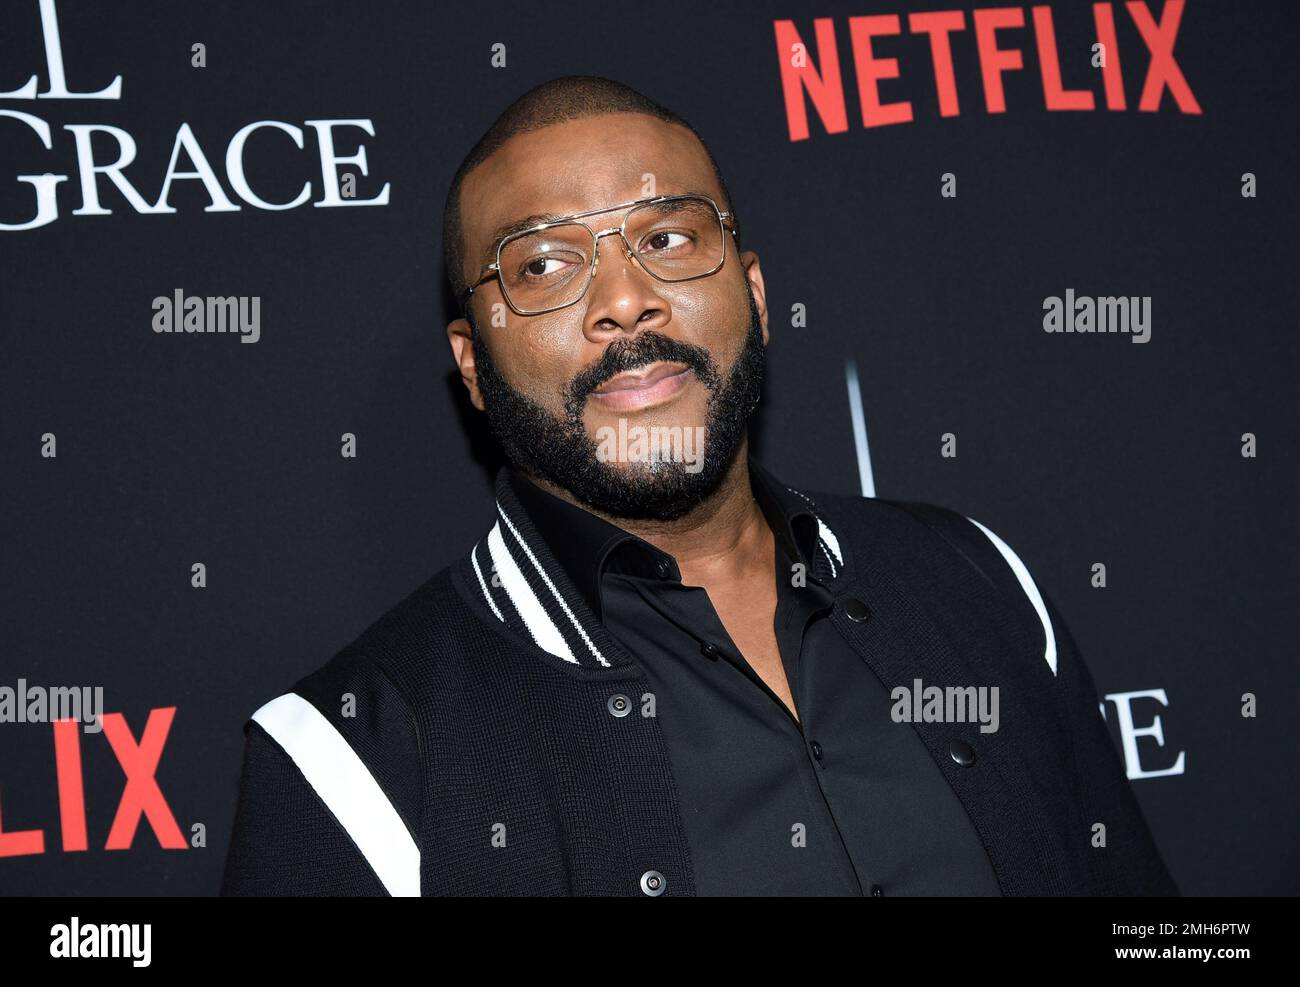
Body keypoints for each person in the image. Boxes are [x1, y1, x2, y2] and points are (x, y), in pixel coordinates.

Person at [221, 75, 1178, 897]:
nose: (624, 300)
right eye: (546, 265)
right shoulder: (356, 752)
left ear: (754, 297)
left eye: (668, 239)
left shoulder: (977, 580)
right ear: (472, 366)